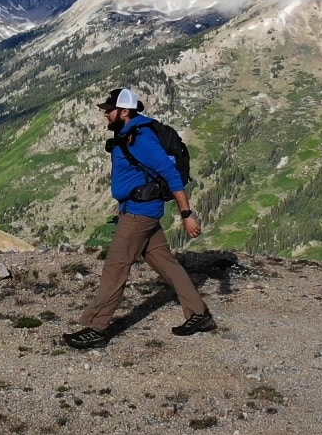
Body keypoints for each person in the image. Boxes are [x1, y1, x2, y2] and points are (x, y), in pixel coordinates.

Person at [62, 88, 213, 350]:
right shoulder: (128, 134)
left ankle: (96, 328)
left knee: (116, 267)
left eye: (110, 110)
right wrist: (123, 203)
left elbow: (170, 174)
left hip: (139, 215)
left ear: (125, 111)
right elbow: (137, 175)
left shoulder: (140, 137)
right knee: (167, 264)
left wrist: (187, 214)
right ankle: (199, 314)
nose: (106, 114)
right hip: (138, 209)